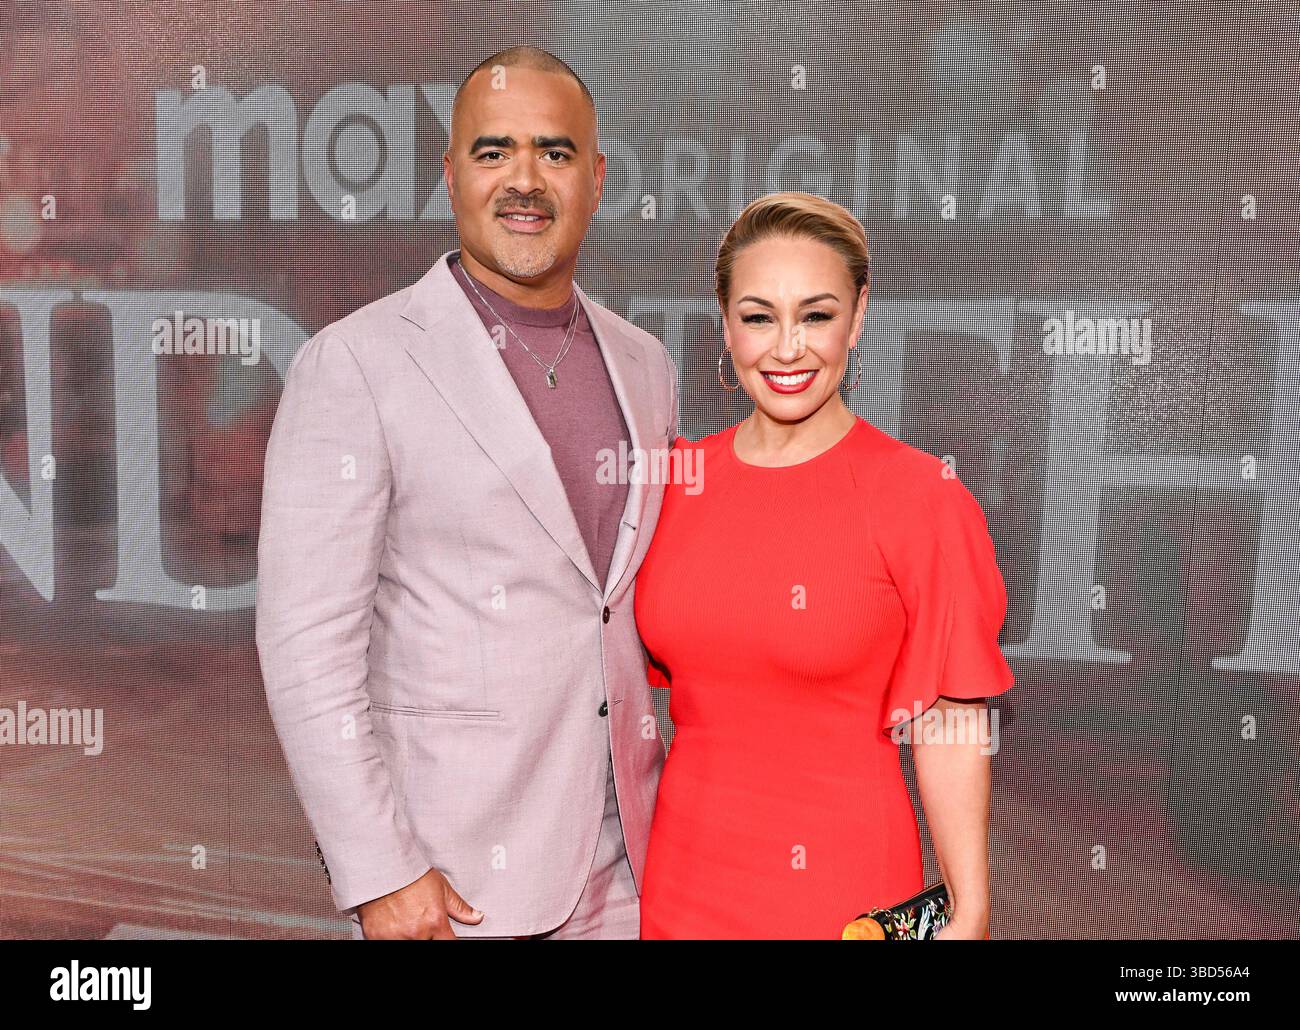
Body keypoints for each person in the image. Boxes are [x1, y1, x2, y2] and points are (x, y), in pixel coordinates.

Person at [255, 46, 677, 939]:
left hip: (636, 868)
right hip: (452, 883)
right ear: (450, 177)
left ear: (596, 180)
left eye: (555, 153)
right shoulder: (357, 362)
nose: (525, 180)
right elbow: (304, 649)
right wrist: (380, 870)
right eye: (494, 153)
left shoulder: (646, 365)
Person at [633, 192, 1014, 939]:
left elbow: (947, 721)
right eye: (757, 316)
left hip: (841, 896)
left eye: (815, 315)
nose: (786, 348)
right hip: (678, 885)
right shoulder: (673, 482)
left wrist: (969, 911)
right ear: (724, 321)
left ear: (859, 315)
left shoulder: (919, 498)